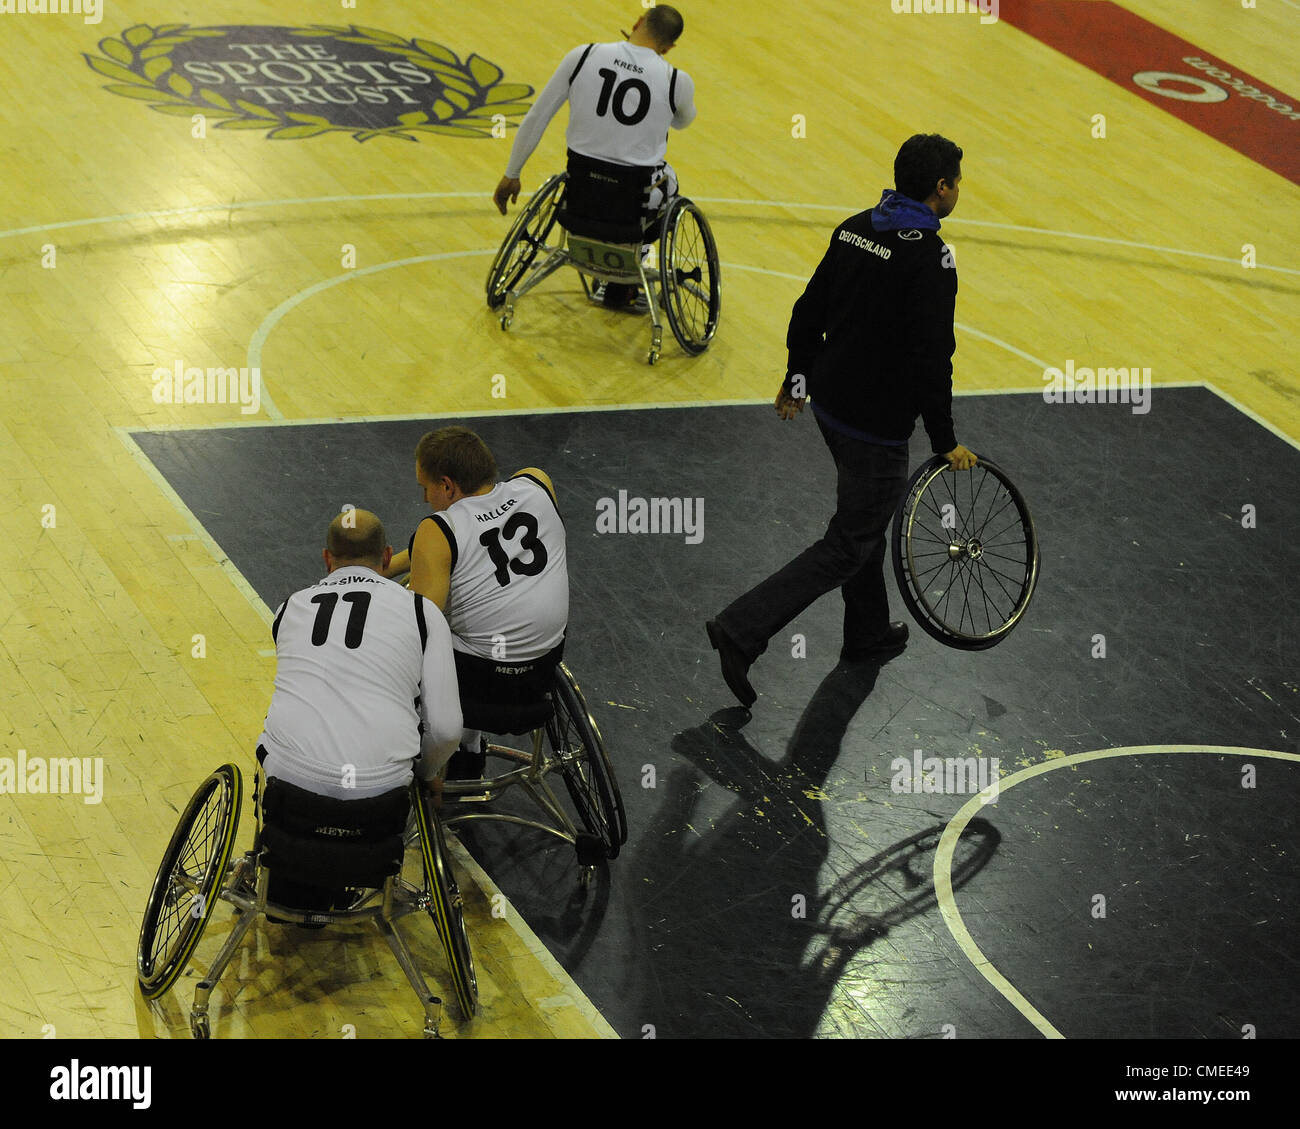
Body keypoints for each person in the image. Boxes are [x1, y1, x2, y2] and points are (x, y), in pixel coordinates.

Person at [706, 134, 978, 709]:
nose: (959, 189)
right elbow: (935, 357)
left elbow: (810, 307)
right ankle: (741, 629)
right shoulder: (931, 258)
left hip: (831, 405)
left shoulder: (856, 226)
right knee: (849, 542)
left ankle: (867, 632)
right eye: (957, 181)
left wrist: (797, 377)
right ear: (940, 189)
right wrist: (946, 440)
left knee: (863, 519)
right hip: (876, 426)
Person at [384, 427, 568, 776]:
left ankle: (441, 760)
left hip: (477, 682)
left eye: (426, 488)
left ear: (448, 485)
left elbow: (419, 627)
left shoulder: (436, 529)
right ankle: (470, 743)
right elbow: (486, 530)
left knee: (414, 632)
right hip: (542, 670)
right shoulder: (537, 484)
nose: (425, 499)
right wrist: (390, 565)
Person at [491, 5, 695, 308]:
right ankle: (624, 280)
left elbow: (537, 116)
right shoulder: (677, 80)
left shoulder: (583, 55)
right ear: (670, 46)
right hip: (631, 203)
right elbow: (682, 121)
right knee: (669, 181)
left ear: (638, 22)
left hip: (581, 192)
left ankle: (610, 270)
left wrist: (512, 172)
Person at [257, 509, 462, 799]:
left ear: (327, 559)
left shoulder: (289, 609)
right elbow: (446, 731)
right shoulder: (422, 612)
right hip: (381, 788)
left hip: (289, 780)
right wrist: (426, 773)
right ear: (388, 556)